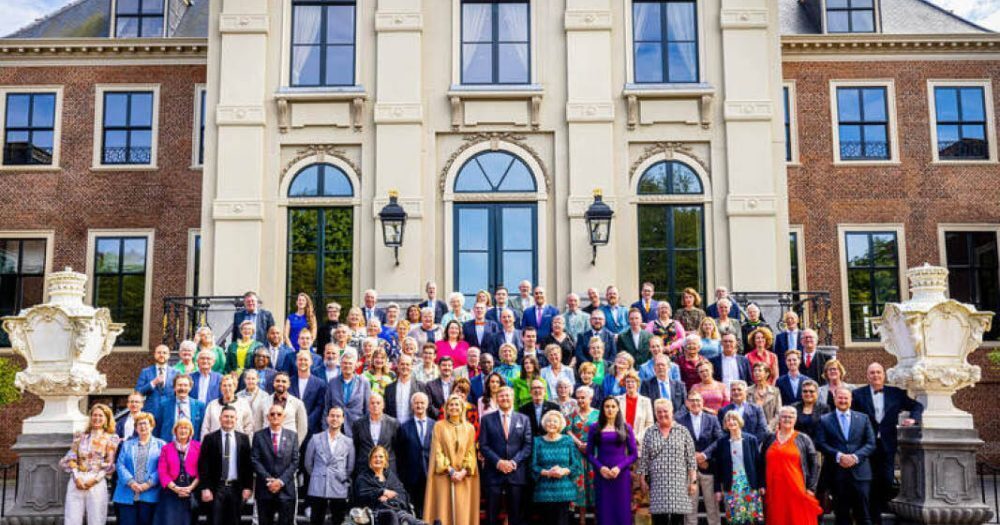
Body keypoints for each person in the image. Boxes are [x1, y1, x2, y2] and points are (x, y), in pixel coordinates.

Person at [852, 362, 923, 524]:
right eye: (872, 373)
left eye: (878, 372)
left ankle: (876, 508)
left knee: (886, 479)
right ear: (867, 376)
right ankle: (871, 517)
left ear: (883, 375)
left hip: (887, 445)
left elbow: (917, 405)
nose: (875, 375)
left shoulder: (896, 393)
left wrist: (913, 418)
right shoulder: (857, 394)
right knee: (866, 481)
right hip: (865, 446)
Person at [815, 387, 876, 525]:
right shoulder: (824, 420)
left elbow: (871, 443)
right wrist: (839, 456)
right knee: (841, 515)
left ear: (851, 400)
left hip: (861, 474)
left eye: (846, 398)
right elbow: (820, 443)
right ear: (835, 399)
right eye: (840, 398)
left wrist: (855, 457)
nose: (843, 400)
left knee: (864, 515)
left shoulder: (863, 418)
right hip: (837, 474)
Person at [638, 399, 697, 525]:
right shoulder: (650, 432)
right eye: (659, 412)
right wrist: (642, 479)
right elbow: (644, 459)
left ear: (672, 411)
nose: (662, 414)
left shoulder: (683, 431)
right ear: (655, 413)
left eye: (665, 411)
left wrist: (693, 481)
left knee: (677, 520)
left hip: (678, 484)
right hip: (657, 485)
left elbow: (691, 459)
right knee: (659, 519)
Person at [480, 386, 533, 525]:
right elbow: (484, 445)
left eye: (507, 396)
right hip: (493, 472)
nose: (505, 398)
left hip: (516, 473)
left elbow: (527, 446)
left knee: (515, 514)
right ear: (497, 399)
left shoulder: (524, 419)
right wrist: (499, 462)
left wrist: (513, 462)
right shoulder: (486, 419)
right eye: (501, 396)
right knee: (492, 514)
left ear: (513, 398)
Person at [761, 406, 822, 525]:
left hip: (797, 488)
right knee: (777, 518)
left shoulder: (803, 439)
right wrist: (762, 484)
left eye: (790, 416)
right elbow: (761, 462)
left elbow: (815, 464)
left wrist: (811, 488)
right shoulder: (769, 439)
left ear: (795, 419)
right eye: (784, 416)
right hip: (774, 489)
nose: (787, 419)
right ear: (779, 418)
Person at [424, 395, 480, 525]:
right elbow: (437, 451)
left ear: (462, 408)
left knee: (462, 513)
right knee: (443, 512)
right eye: (451, 405)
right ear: (446, 408)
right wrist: (450, 470)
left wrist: (463, 472)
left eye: (457, 405)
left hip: (464, 477)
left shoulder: (470, 428)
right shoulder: (439, 426)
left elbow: (471, 452)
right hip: (443, 475)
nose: (454, 407)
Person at [61, 403, 120, 525]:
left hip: (96, 481)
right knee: (72, 518)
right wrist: (76, 478)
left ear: (106, 419)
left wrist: (94, 480)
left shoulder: (111, 438)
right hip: (77, 479)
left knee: (96, 519)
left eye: (100, 415)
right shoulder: (80, 436)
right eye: (94, 415)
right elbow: (70, 458)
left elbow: (109, 464)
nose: (97, 418)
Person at [586, 396, 638, 525]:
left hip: (621, 475)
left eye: (613, 407)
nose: (610, 409)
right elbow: (589, 454)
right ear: (602, 409)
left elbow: (634, 454)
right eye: (607, 406)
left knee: (622, 509)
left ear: (618, 409)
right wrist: (601, 468)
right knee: (604, 509)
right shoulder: (594, 428)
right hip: (602, 475)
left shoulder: (626, 428)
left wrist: (619, 467)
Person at [199, 405, 253, 525]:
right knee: (214, 520)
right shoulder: (209, 438)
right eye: (226, 416)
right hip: (216, 488)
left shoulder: (243, 439)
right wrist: (205, 488)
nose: (229, 419)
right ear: (220, 418)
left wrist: (248, 487)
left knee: (234, 521)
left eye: (232, 417)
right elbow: (203, 465)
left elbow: (248, 466)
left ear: (236, 419)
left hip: (236, 488)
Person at [675, 392, 723, 525]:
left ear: (703, 403)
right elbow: (677, 441)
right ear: (687, 403)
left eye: (698, 400)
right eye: (692, 401)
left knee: (712, 507)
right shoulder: (679, 420)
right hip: (688, 470)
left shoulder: (712, 419)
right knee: (690, 508)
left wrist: (705, 455)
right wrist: (693, 456)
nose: (695, 403)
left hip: (708, 467)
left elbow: (719, 439)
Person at [304, 406, 355, 525]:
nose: (335, 419)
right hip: (318, 485)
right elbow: (308, 464)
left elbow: (350, 466)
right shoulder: (315, 438)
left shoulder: (348, 442)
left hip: (339, 485)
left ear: (343, 419)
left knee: (338, 520)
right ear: (327, 418)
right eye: (332, 415)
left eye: (338, 416)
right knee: (316, 520)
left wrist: (340, 476)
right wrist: (319, 474)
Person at [712, 411, 763, 525]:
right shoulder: (722, 442)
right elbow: (718, 467)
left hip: (749, 483)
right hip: (732, 484)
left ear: (739, 421)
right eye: (728, 420)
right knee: (735, 518)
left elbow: (758, 464)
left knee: (752, 517)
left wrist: (761, 484)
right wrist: (717, 489)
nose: (731, 422)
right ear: (725, 424)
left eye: (734, 419)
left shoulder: (751, 440)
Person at [252, 404, 300, 525]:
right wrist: (269, 480)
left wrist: (280, 481)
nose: (275, 416)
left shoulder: (292, 436)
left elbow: (295, 461)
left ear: (284, 417)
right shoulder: (258, 436)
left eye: (279, 414)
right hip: (264, 489)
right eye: (272, 414)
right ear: (268, 417)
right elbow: (255, 460)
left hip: (286, 490)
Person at [113, 413, 165, 525]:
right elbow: (120, 465)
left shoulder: (161, 445)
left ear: (152, 426)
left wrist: (149, 483)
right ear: (135, 428)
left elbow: (163, 467)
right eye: (139, 424)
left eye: (145, 423)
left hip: (150, 493)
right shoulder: (127, 444)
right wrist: (131, 482)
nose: (142, 427)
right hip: (127, 493)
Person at [531, 410, 580, 525]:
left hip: (564, 490)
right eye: (549, 421)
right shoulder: (537, 441)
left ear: (560, 425)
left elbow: (575, 465)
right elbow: (533, 466)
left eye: (555, 421)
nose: (551, 423)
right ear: (544, 424)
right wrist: (548, 472)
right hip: (544, 491)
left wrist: (563, 471)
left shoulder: (568, 440)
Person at [155, 419, 200, 525]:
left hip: (191, 490)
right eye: (180, 427)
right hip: (171, 491)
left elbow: (201, 471)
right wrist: (176, 489)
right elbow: (162, 472)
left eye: (186, 428)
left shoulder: (198, 447)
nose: (183, 430)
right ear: (175, 431)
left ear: (191, 431)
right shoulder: (166, 448)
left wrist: (190, 488)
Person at [354, 446, 415, 523]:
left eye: (381, 457)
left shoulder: (391, 476)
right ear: (370, 461)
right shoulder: (363, 478)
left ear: (385, 461)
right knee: (391, 515)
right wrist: (382, 492)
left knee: (414, 521)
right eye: (375, 457)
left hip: (397, 509)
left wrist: (390, 498)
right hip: (375, 513)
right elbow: (362, 496)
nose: (378, 459)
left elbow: (403, 493)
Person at [397, 392, 435, 517]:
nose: (419, 405)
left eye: (422, 403)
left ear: (427, 405)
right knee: (413, 511)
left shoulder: (435, 426)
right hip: (411, 477)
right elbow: (400, 454)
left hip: (430, 474)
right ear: (412, 406)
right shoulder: (404, 427)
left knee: (429, 510)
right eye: (416, 403)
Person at [566, 386, 599, 525]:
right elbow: (567, 431)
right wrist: (579, 443)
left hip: (595, 452)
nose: (580, 400)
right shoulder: (571, 415)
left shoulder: (599, 414)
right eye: (578, 398)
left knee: (595, 484)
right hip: (577, 453)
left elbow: (603, 430)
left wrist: (590, 444)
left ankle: (598, 517)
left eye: (583, 397)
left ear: (590, 398)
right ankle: (582, 518)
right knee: (580, 484)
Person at [324, 350, 371, 437]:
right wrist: (325, 428)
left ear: (355, 365)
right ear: (340, 364)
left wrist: (366, 431)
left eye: (350, 363)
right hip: (335, 429)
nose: (347, 366)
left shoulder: (364, 382)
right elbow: (327, 407)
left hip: (357, 430)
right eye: (345, 363)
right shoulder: (332, 382)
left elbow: (367, 409)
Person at [254, 372, 309, 444]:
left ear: (289, 384)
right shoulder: (263, 402)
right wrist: (261, 443)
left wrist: (295, 445)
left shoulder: (298, 403)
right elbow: (258, 425)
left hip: (289, 445)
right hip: (266, 444)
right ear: (273, 383)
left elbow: (303, 428)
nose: (280, 383)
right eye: (277, 381)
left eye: (284, 381)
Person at [352, 393, 400, 473]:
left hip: (387, 469)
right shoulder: (358, 424)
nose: (375, 405)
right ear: (368, 406)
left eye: (378, 403)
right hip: (364, 469)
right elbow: (357, 446)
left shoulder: (393, 423)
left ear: (383, 405)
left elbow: (397, 447)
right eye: (372, 403)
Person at [201, 374, 254, 439]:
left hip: (238, 444)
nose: (227, 388)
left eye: (230, 385)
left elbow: (248, 426)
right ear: (220, 388)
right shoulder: (212, 405)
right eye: (224, 386)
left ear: (235, 387)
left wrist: (246, 444)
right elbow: (205, 428)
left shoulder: (243, 404)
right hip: (215, 444)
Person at [385, 353, 431, 424]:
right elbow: (387, 412)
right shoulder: (389, 388)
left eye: (407, 364)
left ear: (412, 366)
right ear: (398, 365)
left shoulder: (421, 387)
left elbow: (426, 410)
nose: (405, 367)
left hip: (413, 429)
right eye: (402, 364)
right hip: (394, 430)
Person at [156, 375, 205, 441]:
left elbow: (202, 429)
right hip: (169, 446)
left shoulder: (200, 406)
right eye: (179, 385)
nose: (182, 388)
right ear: (174, 387)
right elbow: (157, 427)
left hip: (191, 447)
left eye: (185, 385)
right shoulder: (164, 405)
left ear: (190, 388)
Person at [136, 344, 179, 413]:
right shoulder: (145, 372)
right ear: (155, 355)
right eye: (159, 352)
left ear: (169, 356)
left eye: (164, 353)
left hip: (169, 411)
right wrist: (152, 383)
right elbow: (138, 392)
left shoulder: (176, 373)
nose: (161, 355)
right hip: (151, 411)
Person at [747, 362, 781, 429]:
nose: (756, 373)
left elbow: (778, 412)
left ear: (767, 373)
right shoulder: (747, 391)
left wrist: (769, 427)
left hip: (770, 429)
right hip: (752, 429)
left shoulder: (775, 391)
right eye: (755, 370)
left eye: (759, 370)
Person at [773, 310, 803, 375]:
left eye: (792, 318)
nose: (790, 320)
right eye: (787, 319)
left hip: (801, 369)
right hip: (784, 370)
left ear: (797, 320)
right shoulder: (779, 337)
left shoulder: (803, 335)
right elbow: (776, 355)